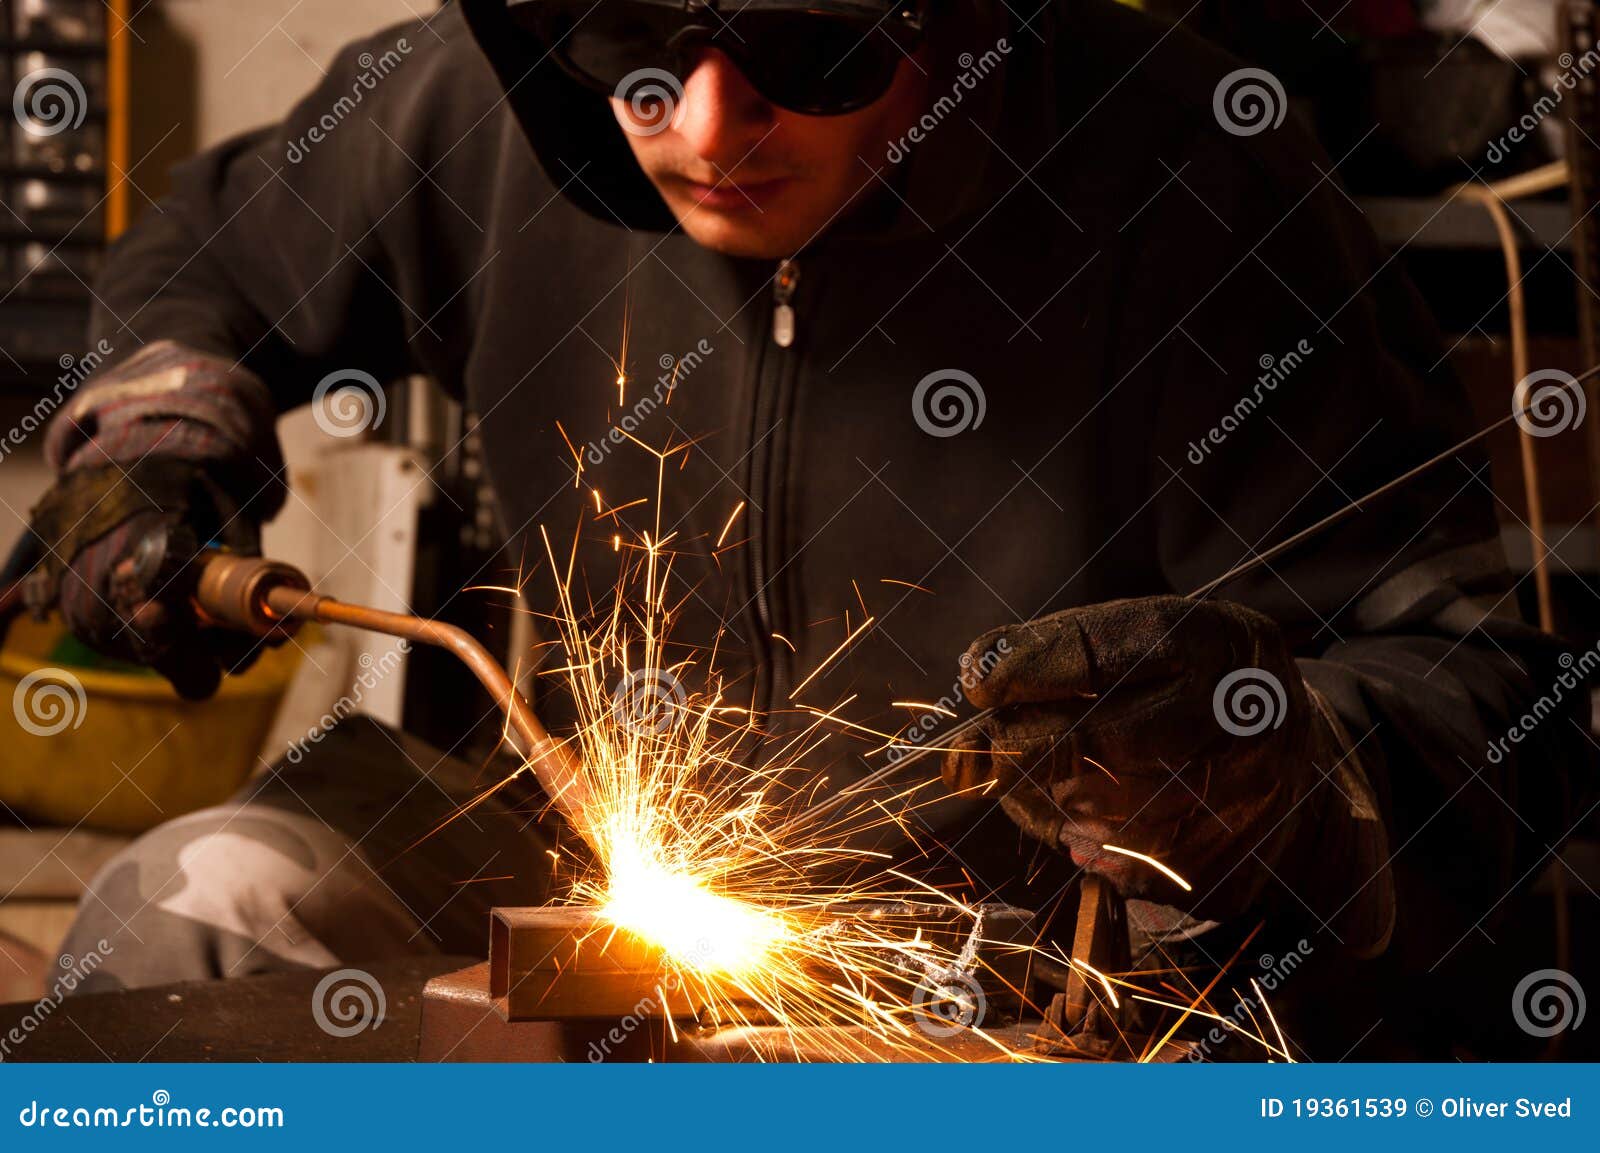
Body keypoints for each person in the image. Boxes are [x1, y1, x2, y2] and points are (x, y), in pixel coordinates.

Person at [25, 0, 1587, 1058]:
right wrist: (158, 430)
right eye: (645, 38)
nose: (708, 123)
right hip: (595, 875)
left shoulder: (1196, 175)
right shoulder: (489, 102)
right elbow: (212, 255)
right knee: (203, 906)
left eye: (808, 44)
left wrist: (1274, 760)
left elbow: (1484, 689)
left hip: (1015, 954)